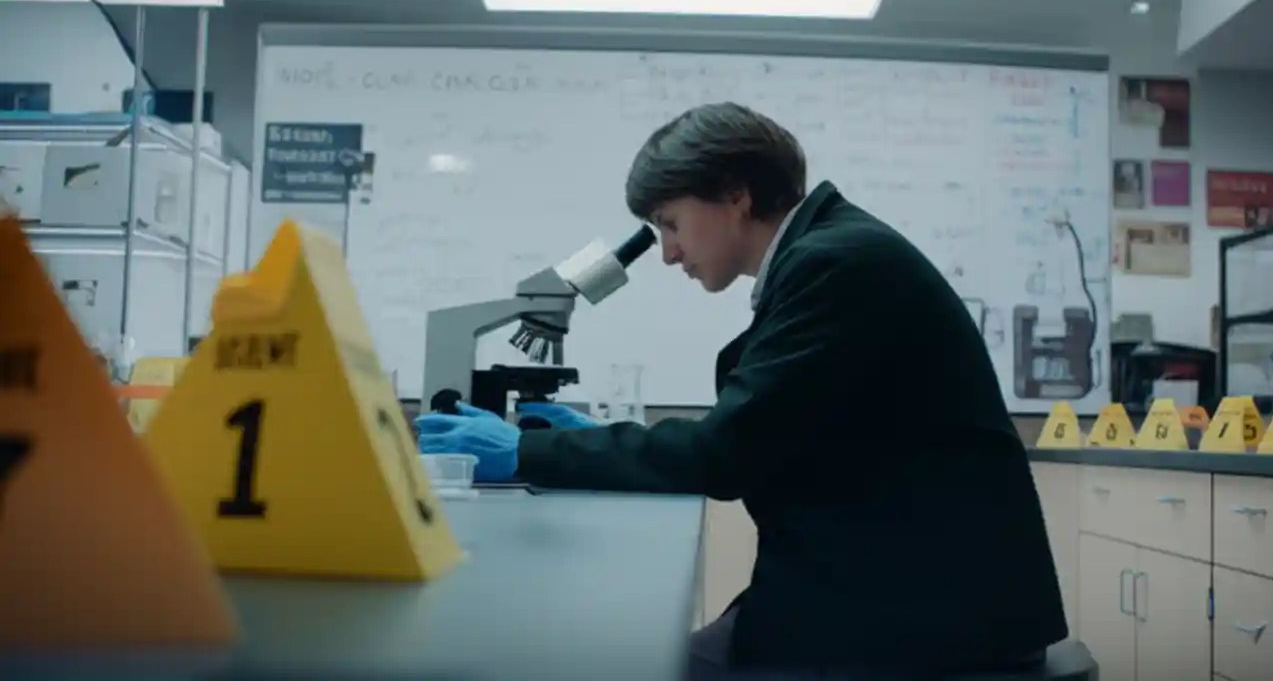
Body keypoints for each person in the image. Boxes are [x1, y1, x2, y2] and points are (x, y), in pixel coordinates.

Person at [417, 102, 1067, 679]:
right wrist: (586, 440)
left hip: (920, 629)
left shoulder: (835, 265)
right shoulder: (830, 252)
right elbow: (760, 429)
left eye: (670, 223)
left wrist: (526, 454)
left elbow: (724, 452)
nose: (668, 253)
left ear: (734, 195)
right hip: (892, 596)